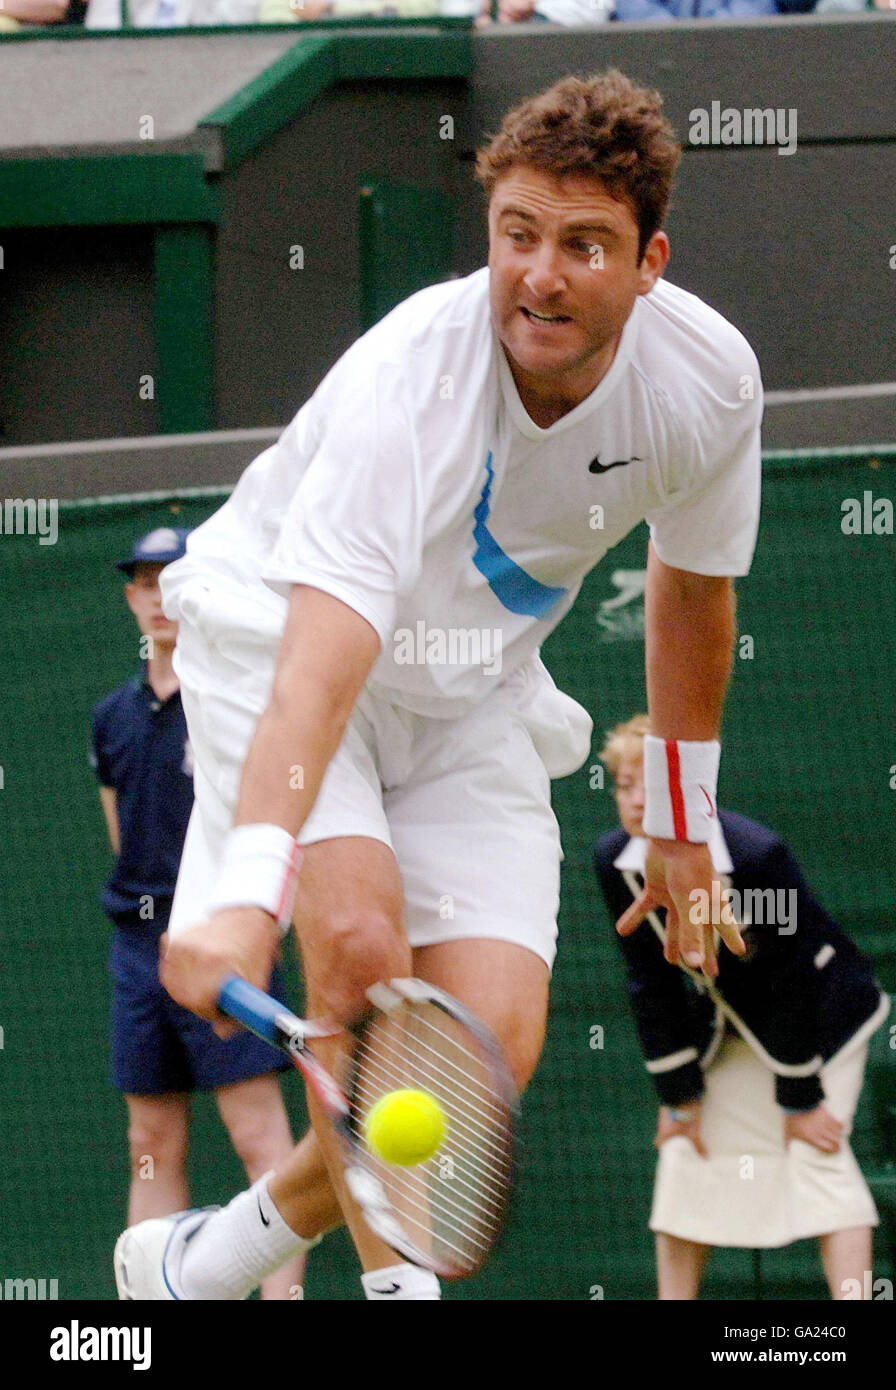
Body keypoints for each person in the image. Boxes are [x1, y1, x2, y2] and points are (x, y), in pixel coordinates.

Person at [114, 67, 761, 1302]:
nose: (540, 274)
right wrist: (254, 889)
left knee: (474, 1062)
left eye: (584, 245)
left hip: (471, 691)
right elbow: (322, 662)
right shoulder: (409, 378)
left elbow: (692, 588)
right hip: (282, 644)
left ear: (649, 260)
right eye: (517, 235)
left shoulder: (707, 384)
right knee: (358, 958)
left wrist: (681, 821)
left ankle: (209, 1258)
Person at [593, 714, 891, 1300]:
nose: (633, 800)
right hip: (733, 1019)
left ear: (688, 795)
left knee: (813, 1154)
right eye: (624, 785)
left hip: (825, 1015)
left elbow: (792, 978)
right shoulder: (613, 863)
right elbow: (650, 983)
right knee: (683, 1152)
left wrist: (799, 1099)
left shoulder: (758, 856)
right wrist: (679, 1099)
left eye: (648, 786)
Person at [92, 527, 307, 1301]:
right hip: (137, 952)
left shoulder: (232, 707)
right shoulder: (110, 719)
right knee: (149, 1140)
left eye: (172, 580)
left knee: (258, 1136)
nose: (159, 596)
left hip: (223, 939)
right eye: (145, 583)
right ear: (131, 598)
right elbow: (125, 836)